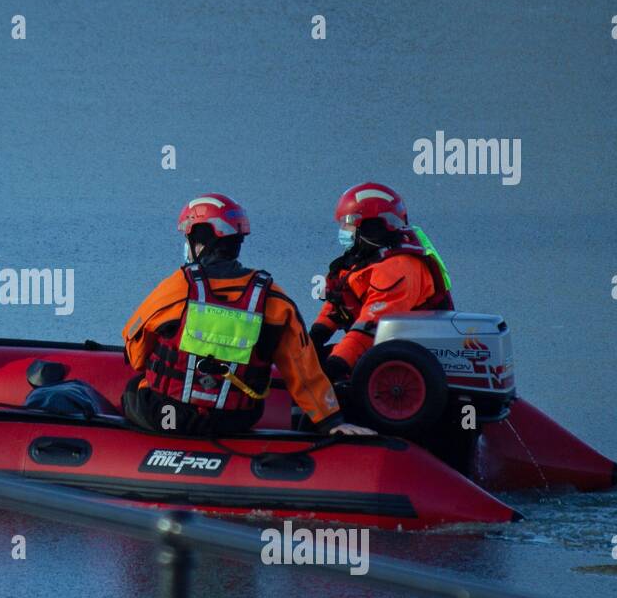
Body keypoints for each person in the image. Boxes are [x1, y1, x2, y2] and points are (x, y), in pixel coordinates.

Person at [122, 194, 372, 437]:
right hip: (233, 421)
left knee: (134, 391)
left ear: (200, 240)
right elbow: (303, 368)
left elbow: (135, 354)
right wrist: (331, 421)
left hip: (172, 416)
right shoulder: (273, 299)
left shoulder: (178, 287)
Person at [311, 182, 453, 382]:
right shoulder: (367, 259)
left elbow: (371, 326)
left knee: (320, 374)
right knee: (310, 362)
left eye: (348, 224)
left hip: (401, 363)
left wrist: (336, 364)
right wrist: (312, 340)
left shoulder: (398, 269)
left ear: (372, 227)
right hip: (378, 349)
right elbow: (340, 301)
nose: (343, 230)